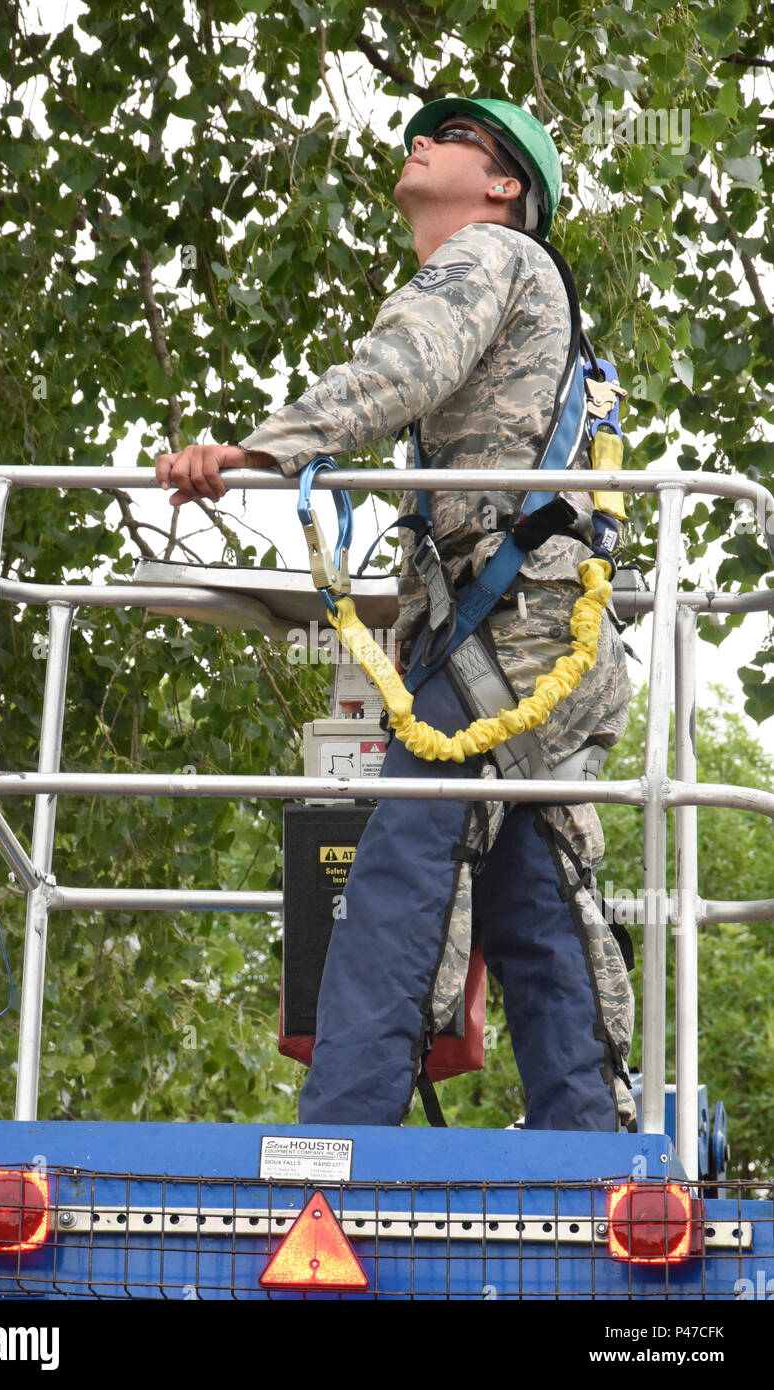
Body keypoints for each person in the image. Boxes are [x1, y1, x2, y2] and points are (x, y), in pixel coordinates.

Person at [156, 96, 636, 1132]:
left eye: (451, 137)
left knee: (396, 869)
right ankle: (592, 1150)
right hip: (538, 628)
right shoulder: (531, 296)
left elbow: (402, 366)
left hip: (504, 632)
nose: (419, 140)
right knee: (533, 886)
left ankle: (336, 1142)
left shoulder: (487, 257)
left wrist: (258, 449)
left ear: (503, 186)